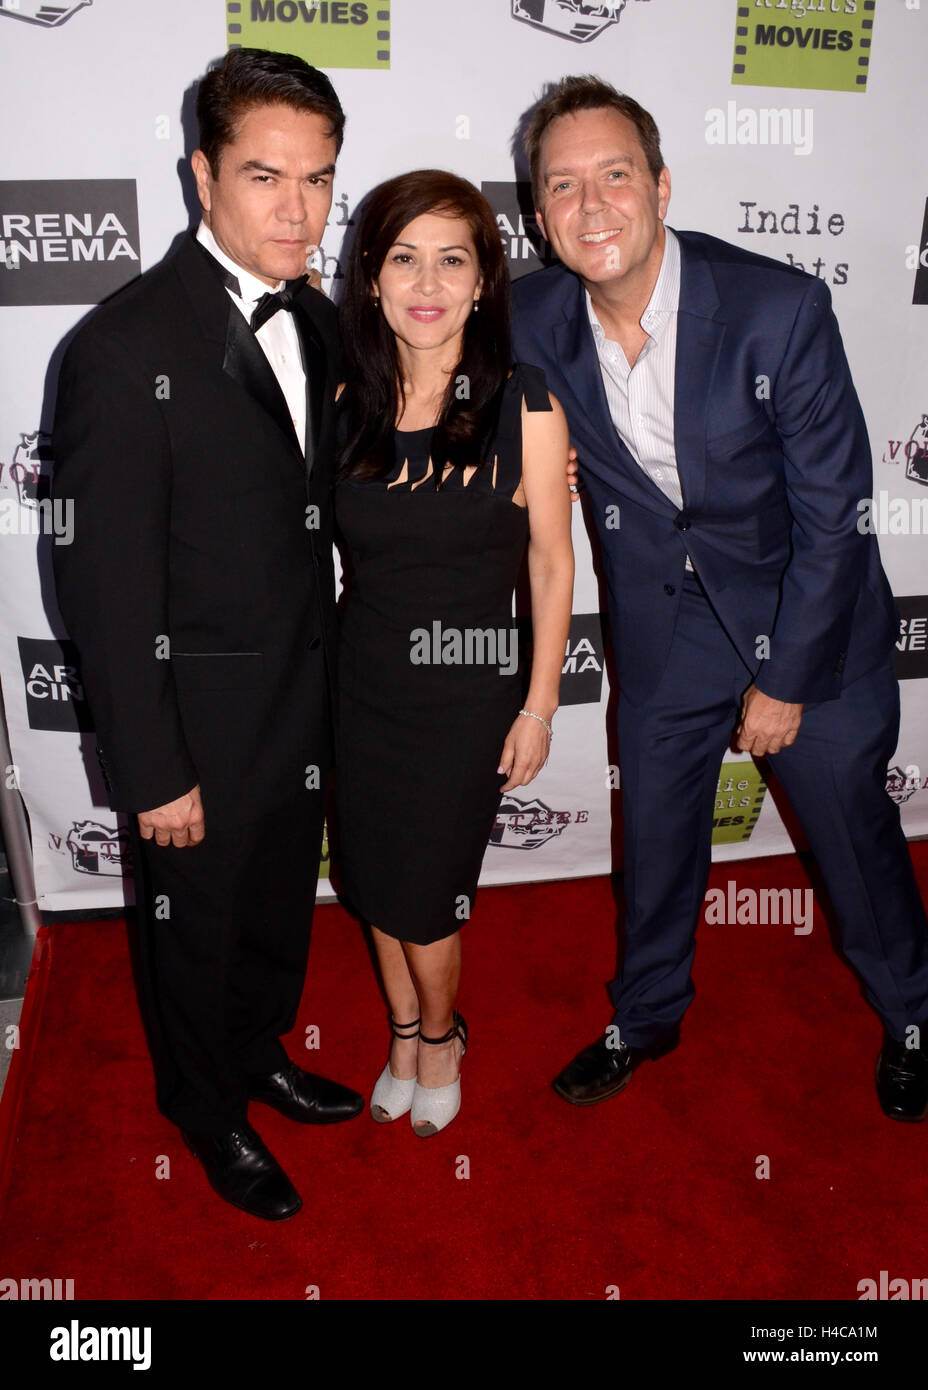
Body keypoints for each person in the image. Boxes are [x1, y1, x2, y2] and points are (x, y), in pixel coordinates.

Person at [511, 76, 928, 1120]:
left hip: (811, 619)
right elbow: (433, 379)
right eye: (562, 186)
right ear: (537, 214)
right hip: (668, 631)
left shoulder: (775, 311)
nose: (591, 206)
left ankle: (914, 1013)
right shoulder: (531, 315)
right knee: (652, 841)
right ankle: (643, 1017)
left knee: (853, 842)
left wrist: (785, 681)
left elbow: (836, 517)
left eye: (613, 175)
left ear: (660, 184)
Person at [51, 49, 364, 1223]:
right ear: (201, 176)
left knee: (278, 908)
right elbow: (101, 585)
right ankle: (204, 1106)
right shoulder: (122, 350)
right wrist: (152, 768)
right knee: (192, 931)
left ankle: (258, 1055)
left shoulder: (323, 321)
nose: (298, 209)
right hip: (193, 724)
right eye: (265, 177)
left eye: (320, 179)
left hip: (303, 700)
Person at [334, 170, 574, 1135]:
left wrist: (540, 705)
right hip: (358, 686)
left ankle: (441, 1037)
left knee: (428, 898)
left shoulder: (527, 405)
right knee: (371, 882)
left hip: (467, 698)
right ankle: (399, 1029)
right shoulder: (347, 398)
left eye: (451, 258)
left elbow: (553, 566)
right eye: (403, 258)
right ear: (373, 277)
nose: (426, 281)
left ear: (483, 282)